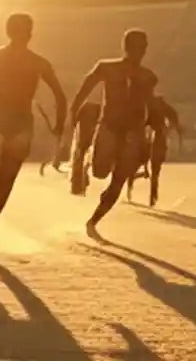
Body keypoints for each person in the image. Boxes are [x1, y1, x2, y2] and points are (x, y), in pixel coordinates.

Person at [0, 13, 67, 239]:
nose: (22, 36)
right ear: (12, 33)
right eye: (20, 31)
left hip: (20, 123)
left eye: (25, 32)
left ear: (30, 35)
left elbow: (60, 95)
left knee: (7, 179)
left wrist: (59, 124)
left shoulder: (37, 63)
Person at [69, 29, 157, 237]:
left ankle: (93, 221)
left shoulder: (148, 77)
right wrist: (74, 112)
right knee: (100, 172)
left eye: (142, 49)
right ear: (126, 48)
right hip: (109, 127)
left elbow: (150, 104)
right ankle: (85, 162)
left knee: (118, 181)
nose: (140, 52)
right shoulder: (107, 68)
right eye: (136, 48)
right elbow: (85, 87)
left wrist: (149, 134)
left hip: (132, 133)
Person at [127, 95, 183, 207]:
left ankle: (148, 191)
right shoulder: (150, 105)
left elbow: (173, 115)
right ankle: (149, 191)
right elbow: (174, 116)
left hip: (154, 138)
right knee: (150, 168)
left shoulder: (154, 104)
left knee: (149, 168)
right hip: (149, 138)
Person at [67, 101, 103, 195]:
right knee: (84, 153)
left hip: (89, 112)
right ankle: (80, 182)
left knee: (80, 154)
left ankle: (78, 184)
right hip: (94, 112)